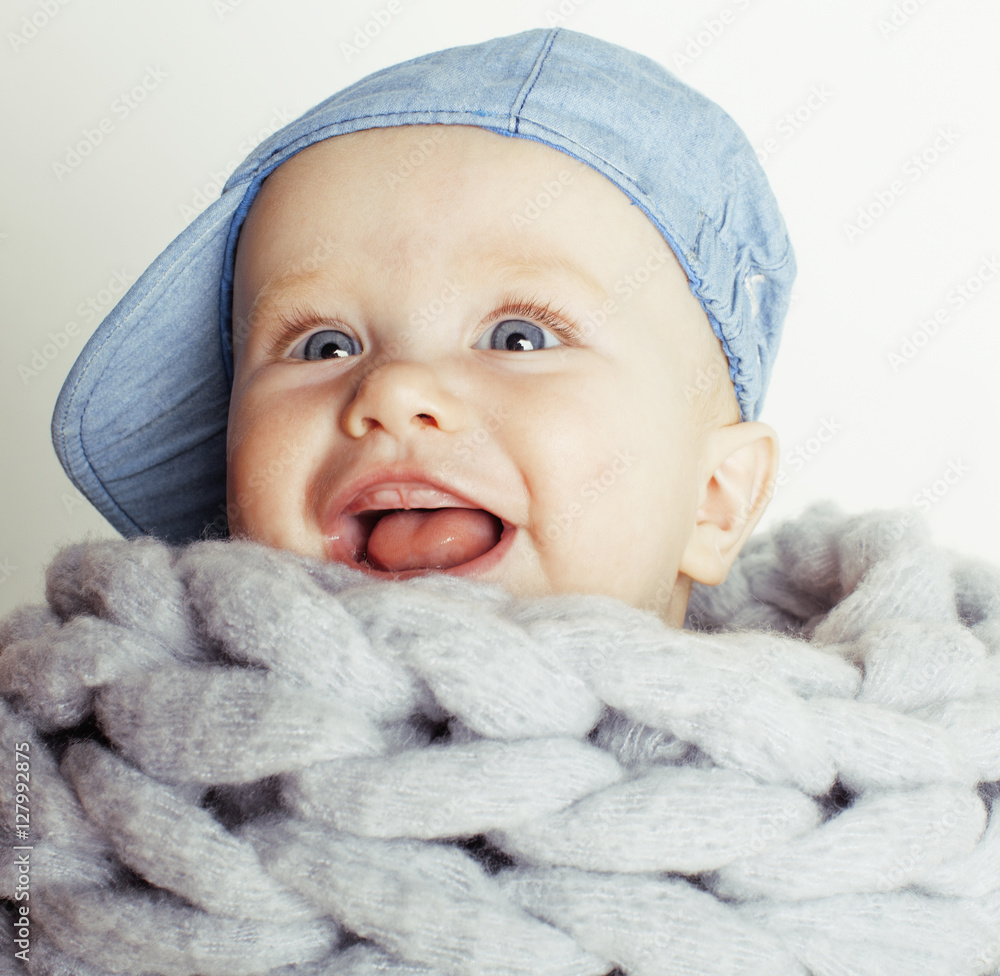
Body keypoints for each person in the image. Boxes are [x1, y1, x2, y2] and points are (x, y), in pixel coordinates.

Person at [51, 26, 796, 628]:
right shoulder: (53, 767)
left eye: (518, 338)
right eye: (324, 345)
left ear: (714, 501)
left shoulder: (859, 802)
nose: (395, 388)